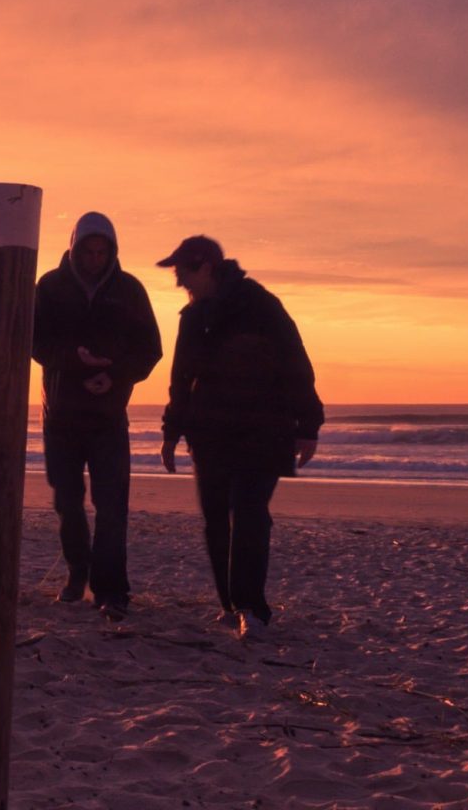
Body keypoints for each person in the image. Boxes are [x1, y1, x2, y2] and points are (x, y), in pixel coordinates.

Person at [156, 235, 323, 641]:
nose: (180, 283)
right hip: (210, 434)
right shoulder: (192, 317)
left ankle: (254, 608)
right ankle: (231, 606)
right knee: (216, 520)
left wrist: (308, 426)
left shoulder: (260, 304)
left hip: (262, 432)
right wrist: (171, 431)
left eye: (184, 273)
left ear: (206, 266)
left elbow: (295, 361)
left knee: (248, 514)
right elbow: (180, 380)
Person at [32, 212, 162, 622]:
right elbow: (34, 341)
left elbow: (150, 349)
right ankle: (77, 574)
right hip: (61, 415)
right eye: (86, 250)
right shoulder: (50, 287)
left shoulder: (129, 290)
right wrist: (74, 359)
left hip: (108, 416)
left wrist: (116, 373)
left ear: (111, 250)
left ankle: (111, 590)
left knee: (112, 507)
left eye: (100, 251)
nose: (93, 258)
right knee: (67, 503)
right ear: (73, 247)